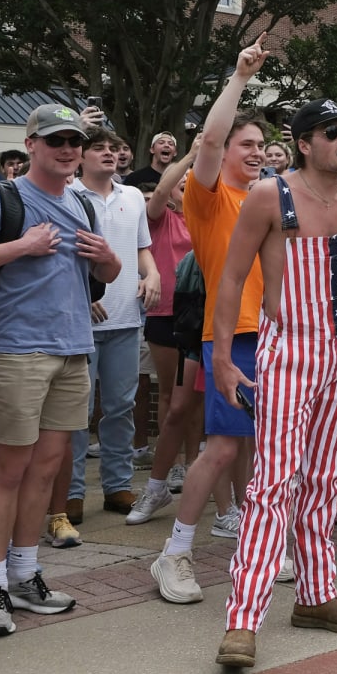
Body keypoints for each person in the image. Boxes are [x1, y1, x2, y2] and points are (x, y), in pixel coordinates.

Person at [211, 96, 337, 668]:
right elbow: (231, 279)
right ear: (304, 143)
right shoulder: (267, 195)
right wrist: (225, 360)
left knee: (327, 479)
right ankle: (242, 620)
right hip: (288, 350)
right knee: (273, 483)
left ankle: (316, 595)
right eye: (331, 131)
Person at [0, 103, 123, 637]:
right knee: (8, 470)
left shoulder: (81, 201)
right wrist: (21, 245)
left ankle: (27, 575)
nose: (69, 149)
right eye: (56, 140)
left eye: (75, 140)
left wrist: (107, 258)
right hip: (14, 351)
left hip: (75, 349)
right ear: (31, 145)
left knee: (47, 468)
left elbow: (106, 272)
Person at [153, 37, 272, 606]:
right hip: (231, 339)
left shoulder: (273, 200)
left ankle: (255, 544)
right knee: (223, 447)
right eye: (246, 144)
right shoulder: (208, 198)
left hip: (276, 338)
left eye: (262, 145)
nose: (255, 151)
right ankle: (174, 552)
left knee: (257, 448)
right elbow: (210, 137)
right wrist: (240, 77)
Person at [61, 127, 158, 525]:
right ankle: (71, 493)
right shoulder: (67, 196)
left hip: (125, 318)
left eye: (113, 148)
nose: (108, 153)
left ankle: (118, 485)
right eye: (97, 147)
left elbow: (142, 248)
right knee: (76, 413)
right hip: (80, 323)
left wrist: (152, 275)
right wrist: (84, 297)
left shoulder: (133, 195)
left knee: (120, 407)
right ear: (81, 156)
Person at [127, 138, 203, 528]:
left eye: (193, 180)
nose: (187, 184)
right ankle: (166, 470)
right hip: (165, 315)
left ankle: (191, 467)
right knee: (172, 399)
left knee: (196, 400)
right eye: (181, 182)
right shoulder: (159, 217)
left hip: (202, 317)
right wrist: (190, 155)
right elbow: (157, 193)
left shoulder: (206, 217)